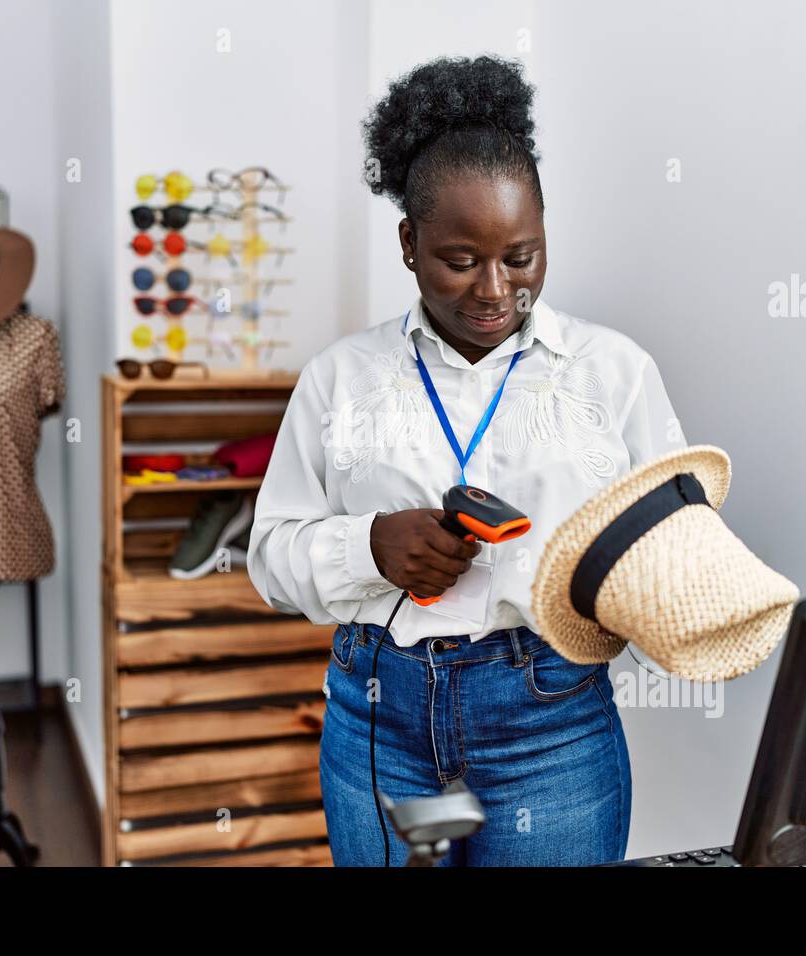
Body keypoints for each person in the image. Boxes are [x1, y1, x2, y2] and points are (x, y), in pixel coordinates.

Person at [247, 54, 687, 866]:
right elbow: (269, 558)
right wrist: (369, 547)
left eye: (521, 256)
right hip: (382, 720)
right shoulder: (340, 379)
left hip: (549, 722)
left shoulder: (613, 372)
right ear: (410, 243)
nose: (495, 290)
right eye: (461, 259)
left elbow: (672, 550)